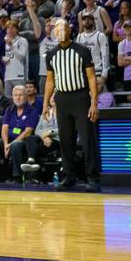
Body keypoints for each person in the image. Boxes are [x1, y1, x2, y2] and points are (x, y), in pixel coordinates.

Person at [44, 20, 101, 192]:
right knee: (66, 141)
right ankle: (69, 177)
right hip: (62, 99)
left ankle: (93, 178)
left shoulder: (82, 51)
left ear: (70, 31)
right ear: (54, 33)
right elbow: (49, 81)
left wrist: (94, 102)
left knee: (87, 140)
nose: (60, 32)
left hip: (80, 97)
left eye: (63, 29)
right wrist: (45, 104)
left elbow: (91, 78)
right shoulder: (51, 54)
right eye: (57, 29)